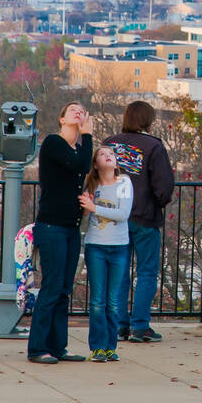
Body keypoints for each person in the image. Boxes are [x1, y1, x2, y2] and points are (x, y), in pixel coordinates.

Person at [27, 101, 93, 364]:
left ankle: (57, 347)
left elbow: (80, 168)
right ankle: (37, 348)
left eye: (81, 110)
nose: (78, 113)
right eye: (72, 110)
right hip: (52, 226)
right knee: (51, 288)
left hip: (71, 227)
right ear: (62, 118)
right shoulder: (54, 144)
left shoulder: (78, 148)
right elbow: (81, 165)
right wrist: (87, 134)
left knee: (64, 289)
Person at [105, 101, 175, 343]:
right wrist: (158, 202)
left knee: (119, 272)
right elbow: (164, 186)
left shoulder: (109, 144)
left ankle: (118, 325)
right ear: (148, 120)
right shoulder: (153, 146)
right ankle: (140, 326)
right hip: (145, 217)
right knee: (146, 272)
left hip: (114, 218)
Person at [79, 146, 134, 362]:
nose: (109, 155)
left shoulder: (124, 182)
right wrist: (86, 210)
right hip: (96, 246)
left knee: (113, 300)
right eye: (103, 154)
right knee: (97, 300)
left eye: (111, 153)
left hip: (119, 245)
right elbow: (83, 223)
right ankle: (97, 347)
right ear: (95, 164)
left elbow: (123, 214)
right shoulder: (92, 185)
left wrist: (94, 208)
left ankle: (111, 346)